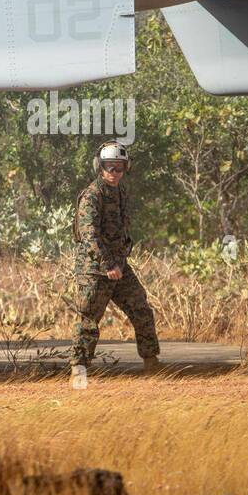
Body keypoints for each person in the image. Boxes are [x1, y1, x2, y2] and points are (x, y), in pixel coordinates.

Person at [70, 141, 161, 375]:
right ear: (99, 167)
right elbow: (88, 234)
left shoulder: (120, 191)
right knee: (88, 319)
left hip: (119, 266)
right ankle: (79, 370)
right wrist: (107, 263)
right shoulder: (92, 195)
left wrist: (118, 261)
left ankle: (151, 362)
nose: (115, 172)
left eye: (119, 167)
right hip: (95, 269)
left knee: (141, 307)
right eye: (110, 167)